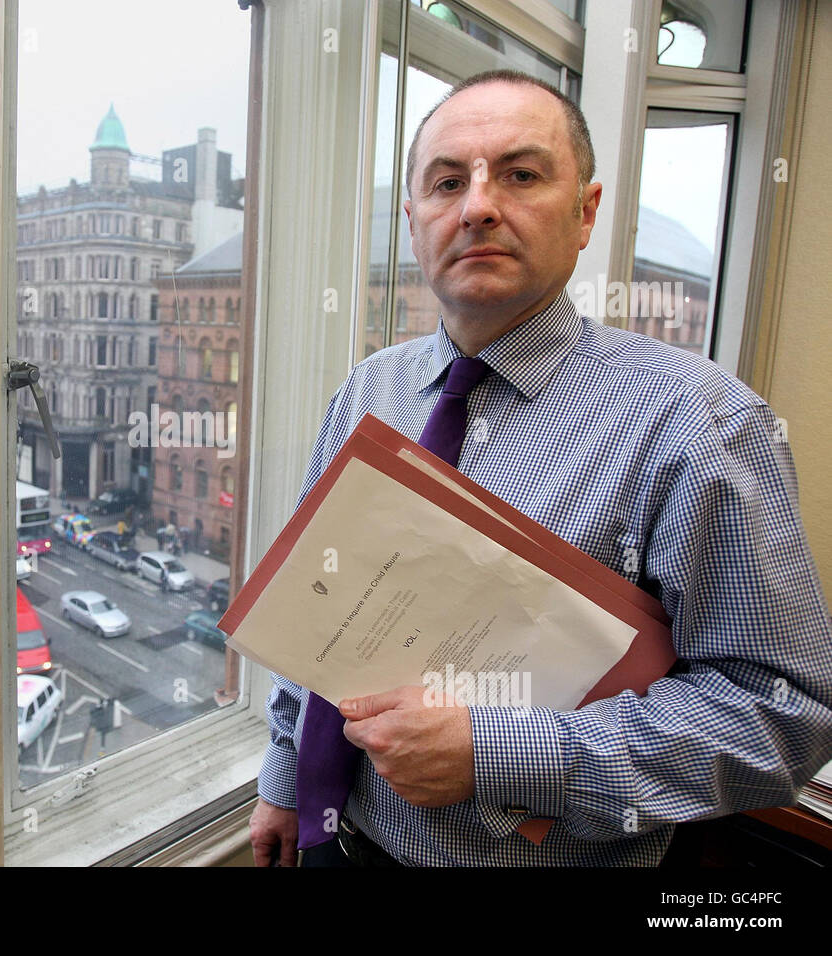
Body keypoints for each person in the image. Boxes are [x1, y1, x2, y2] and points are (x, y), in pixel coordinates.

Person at [250, 70, 832, 868]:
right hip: (341, 841)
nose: (477, 207)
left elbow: (781, 717)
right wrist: (286, 777)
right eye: (447, 183)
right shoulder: (370, 390)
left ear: (585, 212)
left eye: (520, 175)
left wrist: (499, 755)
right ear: (414, 221)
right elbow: (319, 619)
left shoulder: (699, 422)